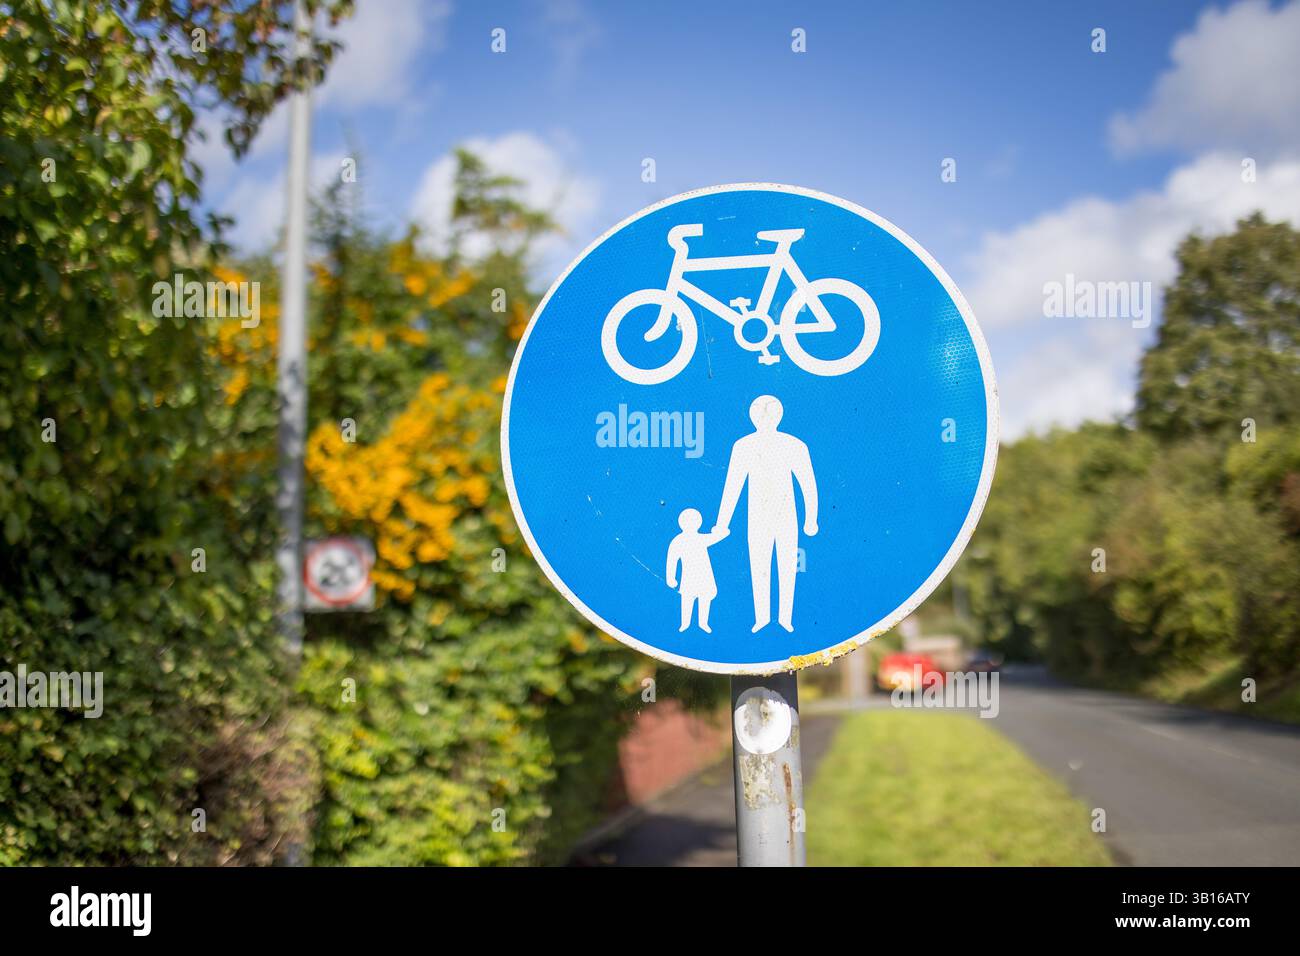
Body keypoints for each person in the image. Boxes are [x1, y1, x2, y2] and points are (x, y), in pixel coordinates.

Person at [714, 395, 818, 632]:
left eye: (770, 412)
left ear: (779, 415)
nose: (764, 417)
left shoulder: (794, 444)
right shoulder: (743, 446)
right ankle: (761, 618)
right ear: (751, 416)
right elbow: (732, 486)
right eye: (759, 412)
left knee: (787, 565)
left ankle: (786, 618)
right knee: (758, 565)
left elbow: (808, 484)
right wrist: (722, 523)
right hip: (757, 517)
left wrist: (811, 519)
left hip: (786, 516)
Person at [666, 508, 728, 632]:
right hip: (688, 576)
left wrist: (722, 532)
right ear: (681, 523)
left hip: (704, 575)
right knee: (687, 599)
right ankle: (685, 623)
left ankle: (703, 623)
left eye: (694, 521)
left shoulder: (701, 538)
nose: (691, 524)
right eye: (688, 521)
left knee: (705, 598)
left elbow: (714, 537)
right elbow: (672, 560)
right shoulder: (678, 541)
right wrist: (671, 578)